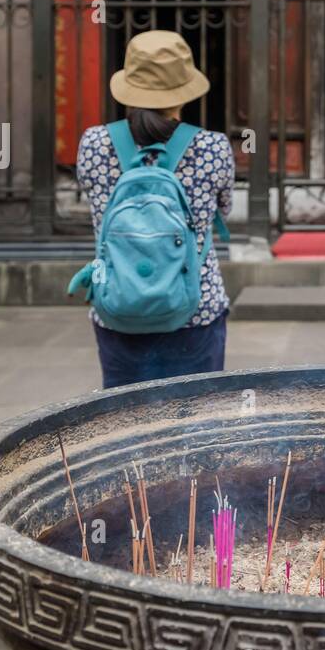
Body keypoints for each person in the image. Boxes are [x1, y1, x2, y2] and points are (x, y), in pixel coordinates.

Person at [74, 30, 234, 389]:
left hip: (118, 307)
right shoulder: (213, 147)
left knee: (125, 427)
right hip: (196, 308)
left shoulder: (94, 144)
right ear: (185, 89)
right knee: (198, 426)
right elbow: (225, 207)